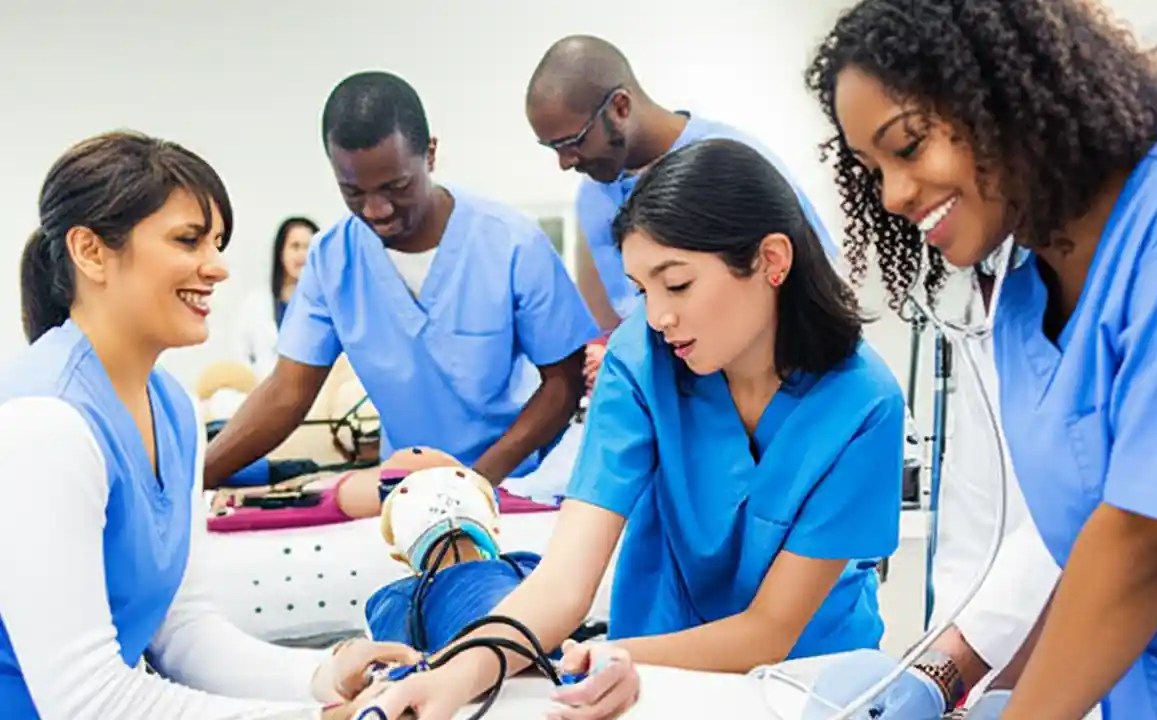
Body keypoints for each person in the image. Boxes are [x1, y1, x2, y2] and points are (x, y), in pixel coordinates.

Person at [806, 1, 1157, 717]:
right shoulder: (1027, 292)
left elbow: (1147, 538)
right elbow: (1088, 548)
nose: (894, 195)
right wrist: (963, 683)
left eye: (907, 146)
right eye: (871, 168)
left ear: (1002, 96)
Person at [355, 138, 905, 720]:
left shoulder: (864, 404)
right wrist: (450, 676)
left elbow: (769, 631)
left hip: (805, 680)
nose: (659, 316)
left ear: (771, 260)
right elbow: (563, 584)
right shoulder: (641, 359)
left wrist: (617, 655)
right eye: (644, 290)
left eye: (678, 283)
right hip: (650, 677)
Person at [0, 130, 416, 719]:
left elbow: (182, 633)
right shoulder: (44, 425)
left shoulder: (174, 410)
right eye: (188, 240)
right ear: (91, 252)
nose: (216, 268)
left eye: (217, 242)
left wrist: (324, 677)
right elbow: (85, 700)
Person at [204, 70, 599, 492]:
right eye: (353, 192)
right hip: (411, 485)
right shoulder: (333, 259)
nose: (376, 210)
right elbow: (287, 391)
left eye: (396, 187)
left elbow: (564, 380)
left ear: (429, 155)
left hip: (520, 480)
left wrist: (479, 480)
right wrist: (191, 482)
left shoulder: (510, 243)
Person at [802, 242, 1064, 718]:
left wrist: (955, 672)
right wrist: (941, 673)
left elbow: (1075, 516)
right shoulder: (991, 287)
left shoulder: (1140, 266)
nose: (894, 196)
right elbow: (980, 516)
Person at [525, 34, 841, 393]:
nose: (565, 162)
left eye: (575, 141)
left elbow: (816, 287)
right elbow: (610, 326)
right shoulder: (594, 198)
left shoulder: (730, 163)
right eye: (553, 148)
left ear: (621, 107)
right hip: (666, 400)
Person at [236, 215, 319, 379]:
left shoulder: (328, 305)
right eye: (295, 247)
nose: (303, 255)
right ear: (281, 252)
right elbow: (240, 356)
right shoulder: (256, 303)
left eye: (308, 247)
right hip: (262, 391)